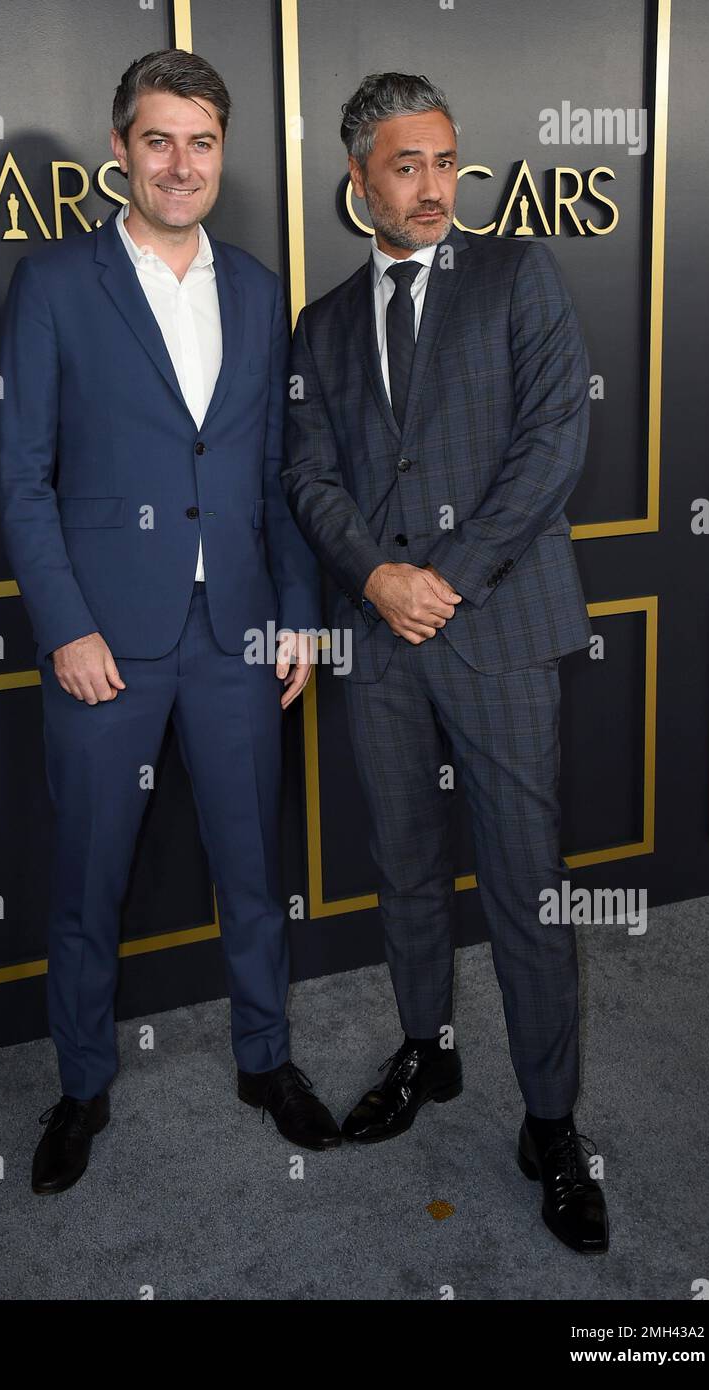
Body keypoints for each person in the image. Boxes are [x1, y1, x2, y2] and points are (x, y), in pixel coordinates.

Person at [0, 49, 340, 1196]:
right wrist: (66, 628)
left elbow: (278, 475)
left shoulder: (255, 288)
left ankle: (265, 1059)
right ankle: (82, 1085)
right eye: (158, 139)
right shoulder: (55, 285)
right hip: (104, 638)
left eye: (200, 141)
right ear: (120, 150)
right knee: (89, 878)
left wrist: (297, 613)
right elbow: (22, 480)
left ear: (221, 153)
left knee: (252, 866)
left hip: (239, 632)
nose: (179, 163)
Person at [282, 71, 608, 1253]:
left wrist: (444, 576)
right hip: (379, 640)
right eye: (407, 167)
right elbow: (307, 475)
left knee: (524, 884)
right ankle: (427, 1049)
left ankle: (553, 1125)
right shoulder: (319, 325)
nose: (433, 188)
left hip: (498, 630)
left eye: (446, 163)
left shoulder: (516, 275)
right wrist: (376, 578)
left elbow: (552, 442)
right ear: (357, 178)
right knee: (404, 867)